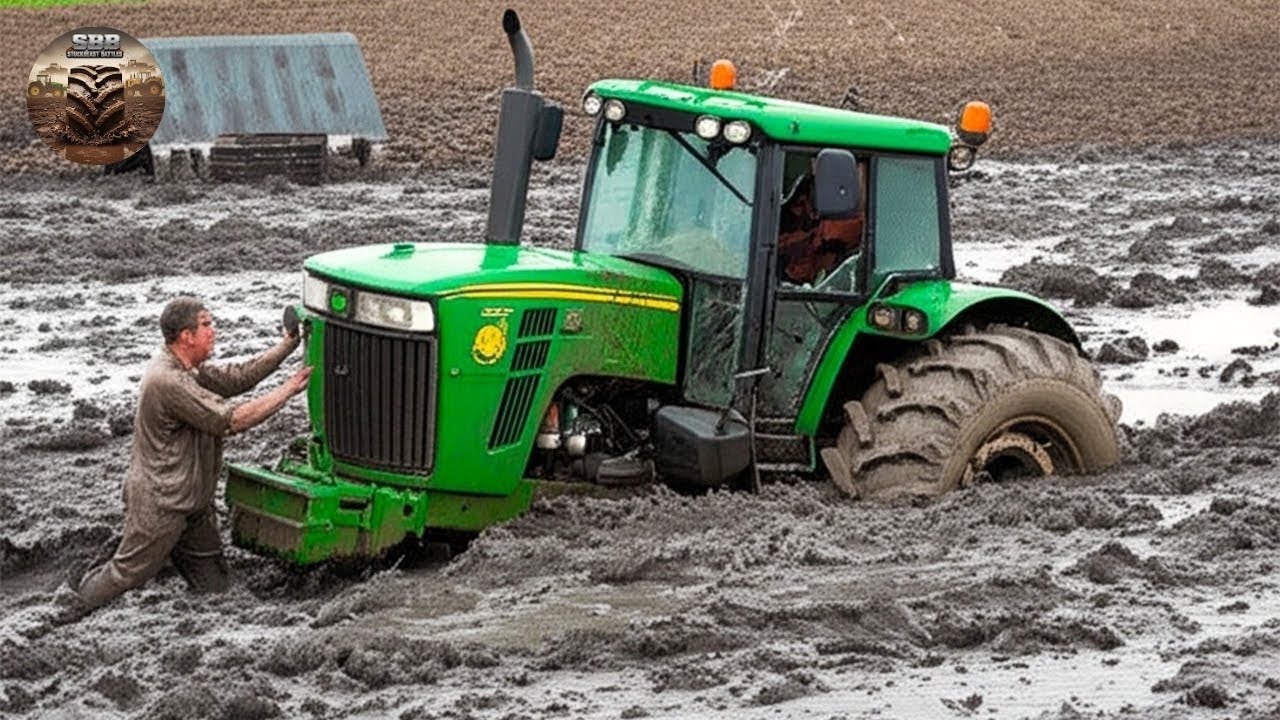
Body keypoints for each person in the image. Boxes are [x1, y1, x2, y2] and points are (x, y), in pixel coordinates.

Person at [55, 296, 312, 622]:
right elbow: (230, 420)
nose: (213, 331)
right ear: (186, 336)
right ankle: (62, 613)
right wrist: (287, 390)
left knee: (215, 586)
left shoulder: (187, 369)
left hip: (193, 504)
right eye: (206, 324)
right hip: (163, 503)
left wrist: (288, 345)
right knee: (126, 574)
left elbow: (237, 378)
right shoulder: (169, 380)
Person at [777, 169, 864, 286]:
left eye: (803, 204)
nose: (799, 211)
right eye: (798, 205)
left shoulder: (834, 227)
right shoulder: (783, 241)